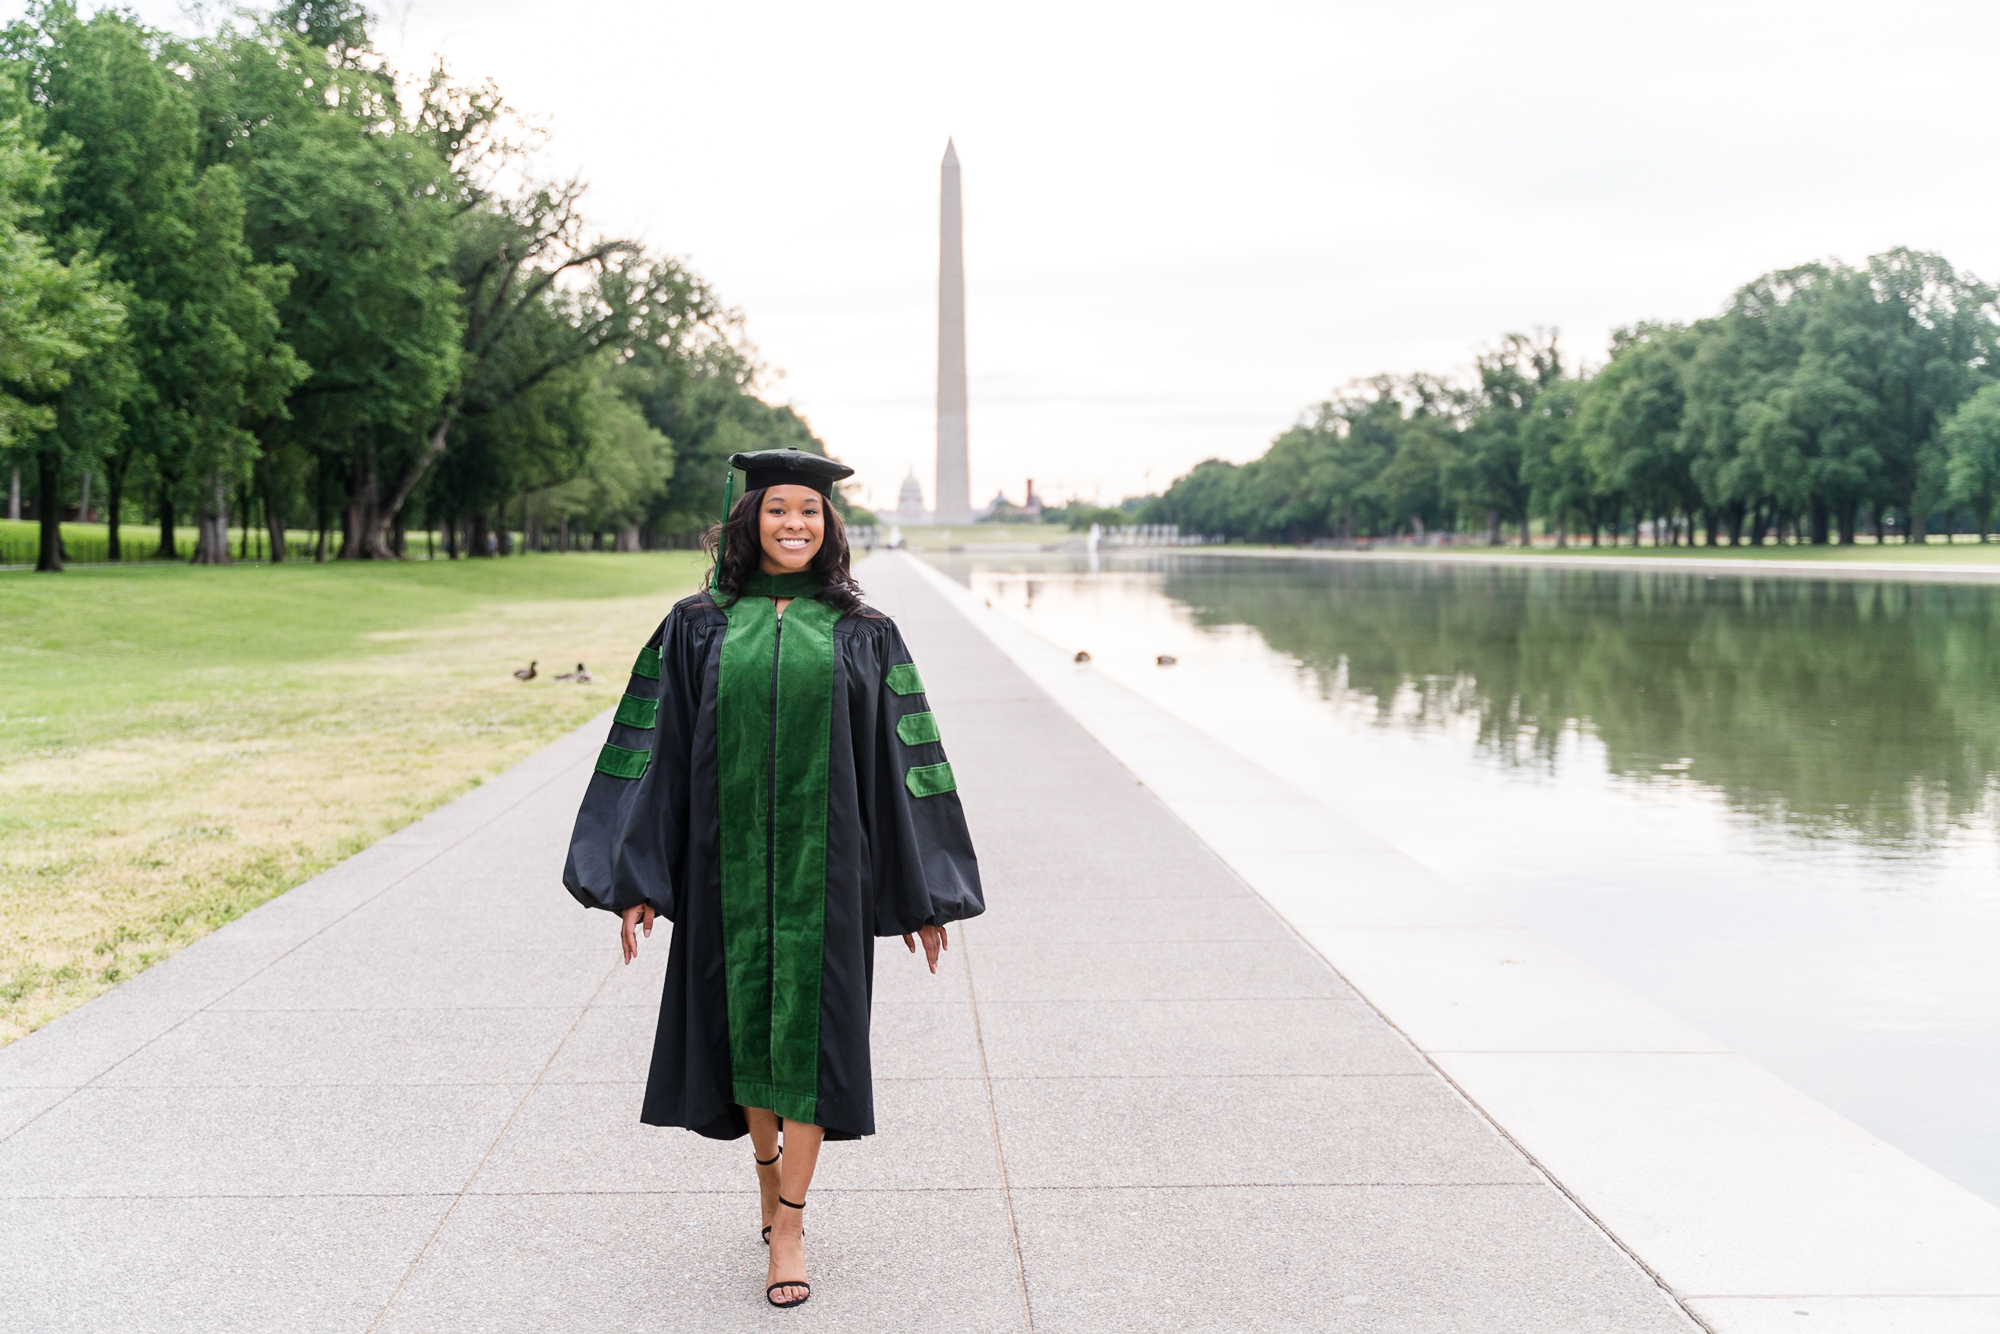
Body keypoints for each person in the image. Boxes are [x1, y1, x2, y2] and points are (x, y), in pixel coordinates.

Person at [562, 448, 984, 1309]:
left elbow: (906, 763)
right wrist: (637, 872)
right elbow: (656, 748)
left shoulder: (866, 633)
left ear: (830, 526)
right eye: (778, 509)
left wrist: (925, 893)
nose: (795, 524)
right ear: (749, 521)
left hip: (831, 876)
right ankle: (767, 1186)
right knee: (743, 1035)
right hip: (724, 873)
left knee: (818, 1042)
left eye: (811, 512)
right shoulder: (695, 625)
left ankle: (788, 1223)